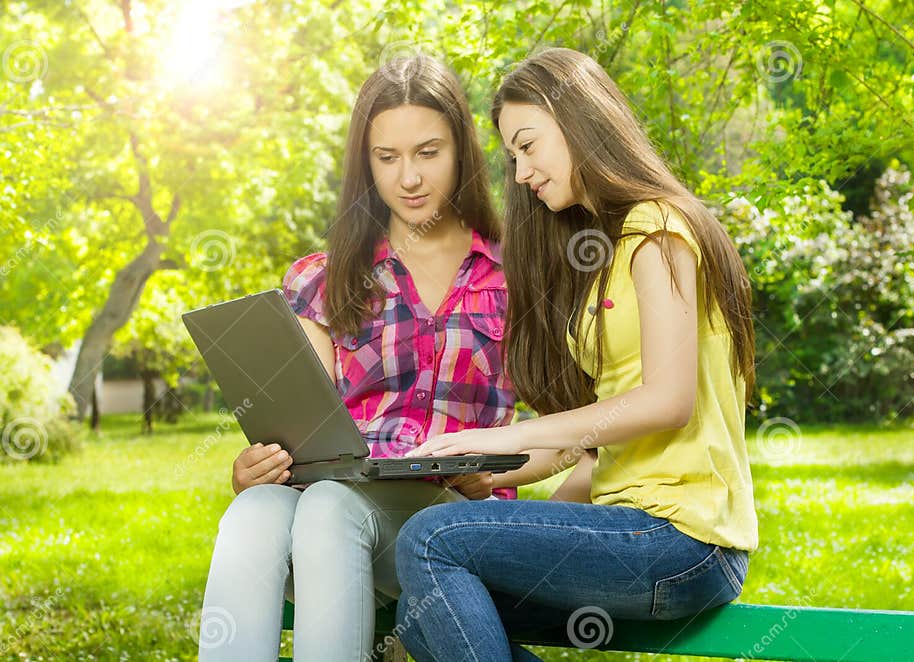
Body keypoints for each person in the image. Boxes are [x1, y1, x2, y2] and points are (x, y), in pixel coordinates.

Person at [394, 47, 759, 662]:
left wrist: (507, 438)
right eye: (512, 156)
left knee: (430, 540)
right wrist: (490, 476)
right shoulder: (605, 255)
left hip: (683, 538)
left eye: (528, 145)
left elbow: (668, 402)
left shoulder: (657, 229)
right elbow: (588, 446)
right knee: (420, 609)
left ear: (580, 120)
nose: (521, 172)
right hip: (632, 527)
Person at [198, 55, 518, 661]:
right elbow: (305, 427)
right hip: (335, 512)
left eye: (428, 153)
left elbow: (572, 426)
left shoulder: (512, 273)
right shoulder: (326, 277)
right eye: (386, 157)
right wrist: (257, 468)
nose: (409, 178)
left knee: (329, 506)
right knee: (256, 509)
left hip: (454, 522)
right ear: (365, 162)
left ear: (462, 152)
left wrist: (499, 469)